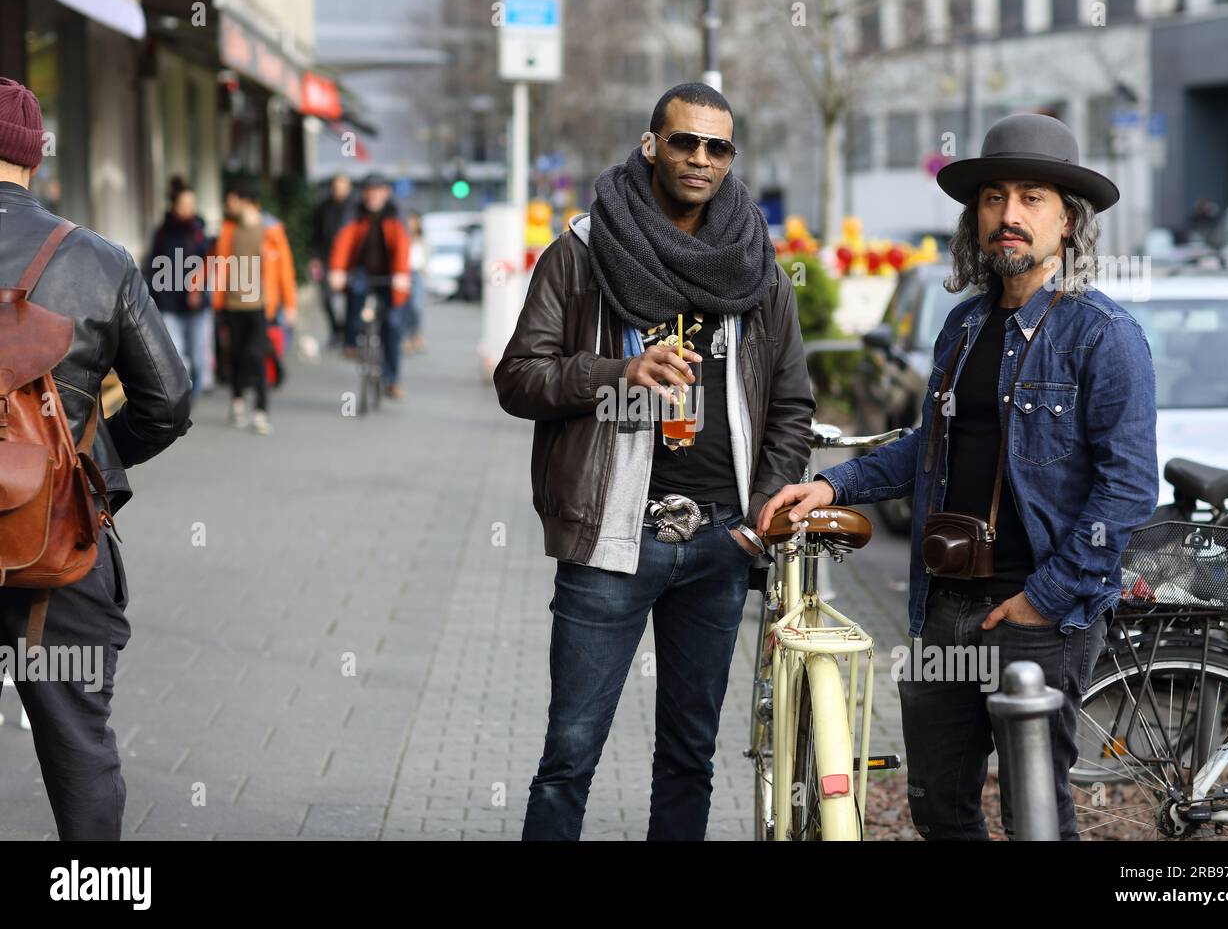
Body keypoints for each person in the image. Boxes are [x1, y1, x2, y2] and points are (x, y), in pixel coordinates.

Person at [760, 113, 1159, 840]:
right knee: (939, 806)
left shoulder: (1103, 336)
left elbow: (1128, 489)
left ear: (1068, 222)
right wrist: (834, 486)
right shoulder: (964, 327)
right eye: (993, 198)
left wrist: (1046, 597)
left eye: (1032, 198)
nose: (1009, 215)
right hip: (944, 604)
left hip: (1037, 617)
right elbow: (932, 447)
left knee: (1037, 813)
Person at [495, 82, 816, 840]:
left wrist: (758, 519)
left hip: (718, 544)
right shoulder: (581, 252)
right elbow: (518, 378)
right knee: (570, 754)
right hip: (612, 539)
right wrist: (615, 374)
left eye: (717, 147)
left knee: (689, 756)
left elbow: (791, 405)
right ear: (652, 145)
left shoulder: (755, 265)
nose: (700, 158)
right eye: (684, 141)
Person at [0, 76, 191, 839]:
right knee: (79, 749)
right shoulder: (96, 257)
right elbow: (169, 404)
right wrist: (82, 467)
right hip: (59, 549)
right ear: (34, 160)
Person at [210, 183, 298, 434]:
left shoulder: (271, 231)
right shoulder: (228, 229)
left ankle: (261, 411)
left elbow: (285, 271)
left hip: (260, 305)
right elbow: (219, 263)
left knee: (256, 355)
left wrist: (290, 305)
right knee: (235, 355)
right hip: (232, 303)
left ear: (244, 201)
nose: (228, 206)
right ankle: (237, 402)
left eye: (231, 201)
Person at [327, 173, 411, 399]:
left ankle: (391, 380)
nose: (373, 196)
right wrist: (337, 270)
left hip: (391, 273)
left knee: (392, 325)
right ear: (363, 194)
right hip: (363, 269)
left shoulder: (396, 213)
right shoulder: (354, 211)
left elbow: (403, 246)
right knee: (355, 291)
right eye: (369, 192)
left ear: (386, 193)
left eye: (378, 191)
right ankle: (351, 340)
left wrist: (402, 275)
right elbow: (343, 241)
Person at [145, 175, 211, 397]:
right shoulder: (163, 232)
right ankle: (184, 397)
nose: (189, 209)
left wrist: (197, 287)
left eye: (192, 204)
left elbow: (209, 261)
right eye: (184, 205)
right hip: (169, 303)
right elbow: (152, 266)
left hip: (196, 303)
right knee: (178, 356)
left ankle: (197, 388)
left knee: (198, 358)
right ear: (174, 206)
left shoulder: (199, 230)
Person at [309, 173, 354, 347]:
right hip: (326, 257)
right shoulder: (323, 207)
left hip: (351, 260)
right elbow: (315, 234)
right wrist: (314, 258)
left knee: (353, 295)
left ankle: (349, 331)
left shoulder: (356, 207)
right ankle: (336, 329)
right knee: (326, 296)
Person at [402, 212, 427, 355]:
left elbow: (427, 254)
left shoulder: (423, 238)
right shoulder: (404, 236)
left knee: (416, 307)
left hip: (417, 274)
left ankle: (416, 335)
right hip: (404, 273)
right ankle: (407, 338)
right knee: (405, 308)